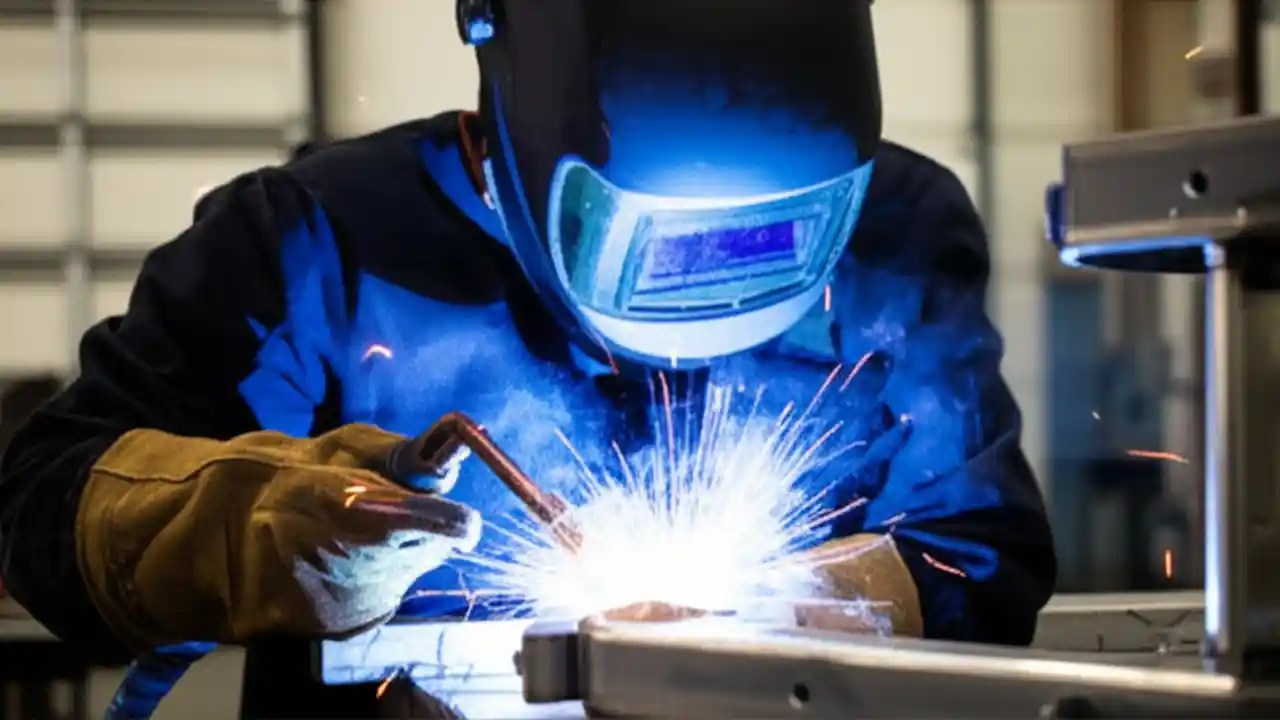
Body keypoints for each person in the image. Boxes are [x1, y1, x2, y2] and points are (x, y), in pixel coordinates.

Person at [0, 1, 1056, 717]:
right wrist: (240, 526)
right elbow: (40, 512)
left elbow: (980, 553)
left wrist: (799, 611)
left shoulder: (895, 229)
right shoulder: (312, 246)